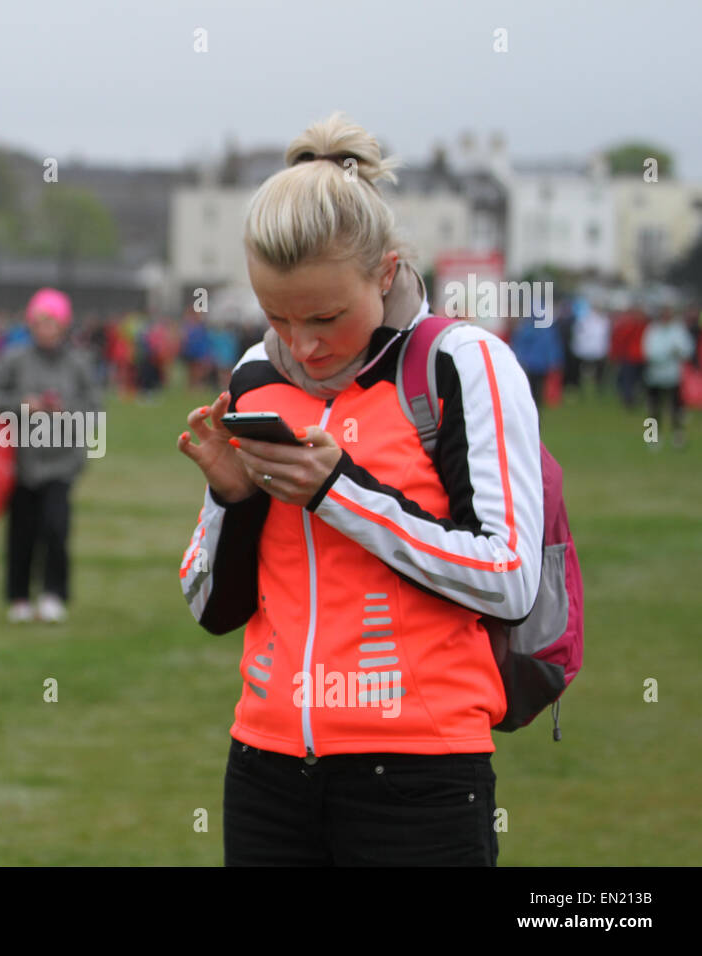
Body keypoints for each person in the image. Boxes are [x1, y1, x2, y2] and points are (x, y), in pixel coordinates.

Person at [177, 113, 543, 866]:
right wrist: (231, 500)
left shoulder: (460, 362)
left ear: (385, 272)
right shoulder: (255, 374)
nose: (302, 344)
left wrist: (337, 490)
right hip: (265, 765)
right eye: (276, 315)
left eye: (325, 317)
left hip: (419, 771)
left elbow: (509, 578)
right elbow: (209, 607)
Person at [0, 288, 100, 624]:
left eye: (52, 322)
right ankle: (19, 597)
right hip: (20, 462)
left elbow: (95, 407)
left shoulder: (79, 363)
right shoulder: (15, 359)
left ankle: (54, 594)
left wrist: (64, 409)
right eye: (39, 322)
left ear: (63, 325)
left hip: (63, 463)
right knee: (21, 532)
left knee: (56, 529)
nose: (45, 329)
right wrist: (22, 404)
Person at [642, 305, 693, 450]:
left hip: (673, 376)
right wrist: (668, 353)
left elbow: (687, 350)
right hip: (654, 376)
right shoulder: (652, 330)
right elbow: (649, 352)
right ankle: (652, 439)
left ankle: (678, 437)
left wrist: (677, 352)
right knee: (653, 408)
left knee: (677, 409)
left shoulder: (678, 330)